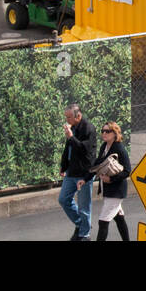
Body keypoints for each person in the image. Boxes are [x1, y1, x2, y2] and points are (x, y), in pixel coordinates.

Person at [58, 103, 97, 240]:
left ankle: (84, 235)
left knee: (84, 206)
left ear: (78, 116)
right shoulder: (73, 128)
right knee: (63, 199)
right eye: (66, 117)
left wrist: (71, 137)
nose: (67, 120)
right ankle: (82, 224)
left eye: (69, 117)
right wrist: (63, 166)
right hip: (71, 172)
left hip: (84, 174)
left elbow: (84, 150)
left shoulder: (89, 129)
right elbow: (68, 149)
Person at [93, 120, 131, 241]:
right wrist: (85, 176)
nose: (104, 133)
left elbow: (127, 171)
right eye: (102, 131)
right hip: (108, 189)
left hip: (116, 191)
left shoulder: (119, 149)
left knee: (103, 221)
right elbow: (98, 163)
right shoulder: (104, 146)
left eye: (107, 131)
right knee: (119, 218)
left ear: (115, 133)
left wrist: (111, 179)